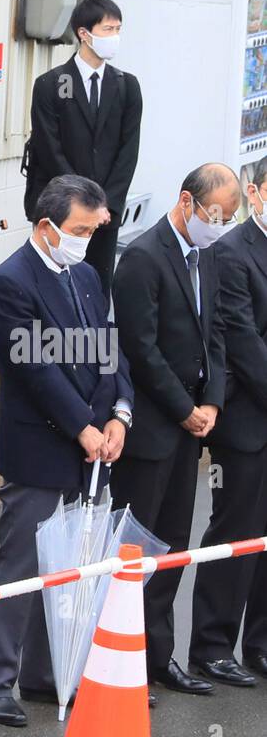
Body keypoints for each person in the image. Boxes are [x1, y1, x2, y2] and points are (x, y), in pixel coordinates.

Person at [0, 176, 135, 727]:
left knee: (74, 565)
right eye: (78, 230)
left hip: (93, 447)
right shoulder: (11, 282)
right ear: (46, 226)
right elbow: (35, 368)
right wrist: (83, 426)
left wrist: (120, 414)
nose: (86, 239)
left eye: (91, 230)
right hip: (42, 446)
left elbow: (109, 350)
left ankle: (49, 673)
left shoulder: (87, 275)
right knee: (20, 567)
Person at [110, 163, 234, 697]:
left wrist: (212, 403)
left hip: (190, 428)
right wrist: (185, 407)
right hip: (155, 429)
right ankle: (122, 658)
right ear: (187, 202)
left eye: (229, 218)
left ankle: (160, 655)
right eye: (214, 214)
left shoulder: (206, 257)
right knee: (137, 548)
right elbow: (141, 349)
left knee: (174, 545)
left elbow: (217, 332)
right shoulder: (143, 258)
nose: (220, 225)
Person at [188, 160, 267, 687]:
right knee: (235, 532)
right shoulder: (232, 253)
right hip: (246, 420)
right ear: (256, 192)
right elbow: (242, 342)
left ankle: (260, 643)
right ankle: (213, 645)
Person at [24, 0, 141, 296]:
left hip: (104, 215)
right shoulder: (52, 84)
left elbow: (128, 152)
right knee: (55, 289)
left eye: (118, 29)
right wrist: (80, 202)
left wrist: (106, 205)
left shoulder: (126, 86)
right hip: (61, 209)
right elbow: (49, 149)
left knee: (97, 290)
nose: (114, 36)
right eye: (107, 29)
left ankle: (92, 344)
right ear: (83, 34)